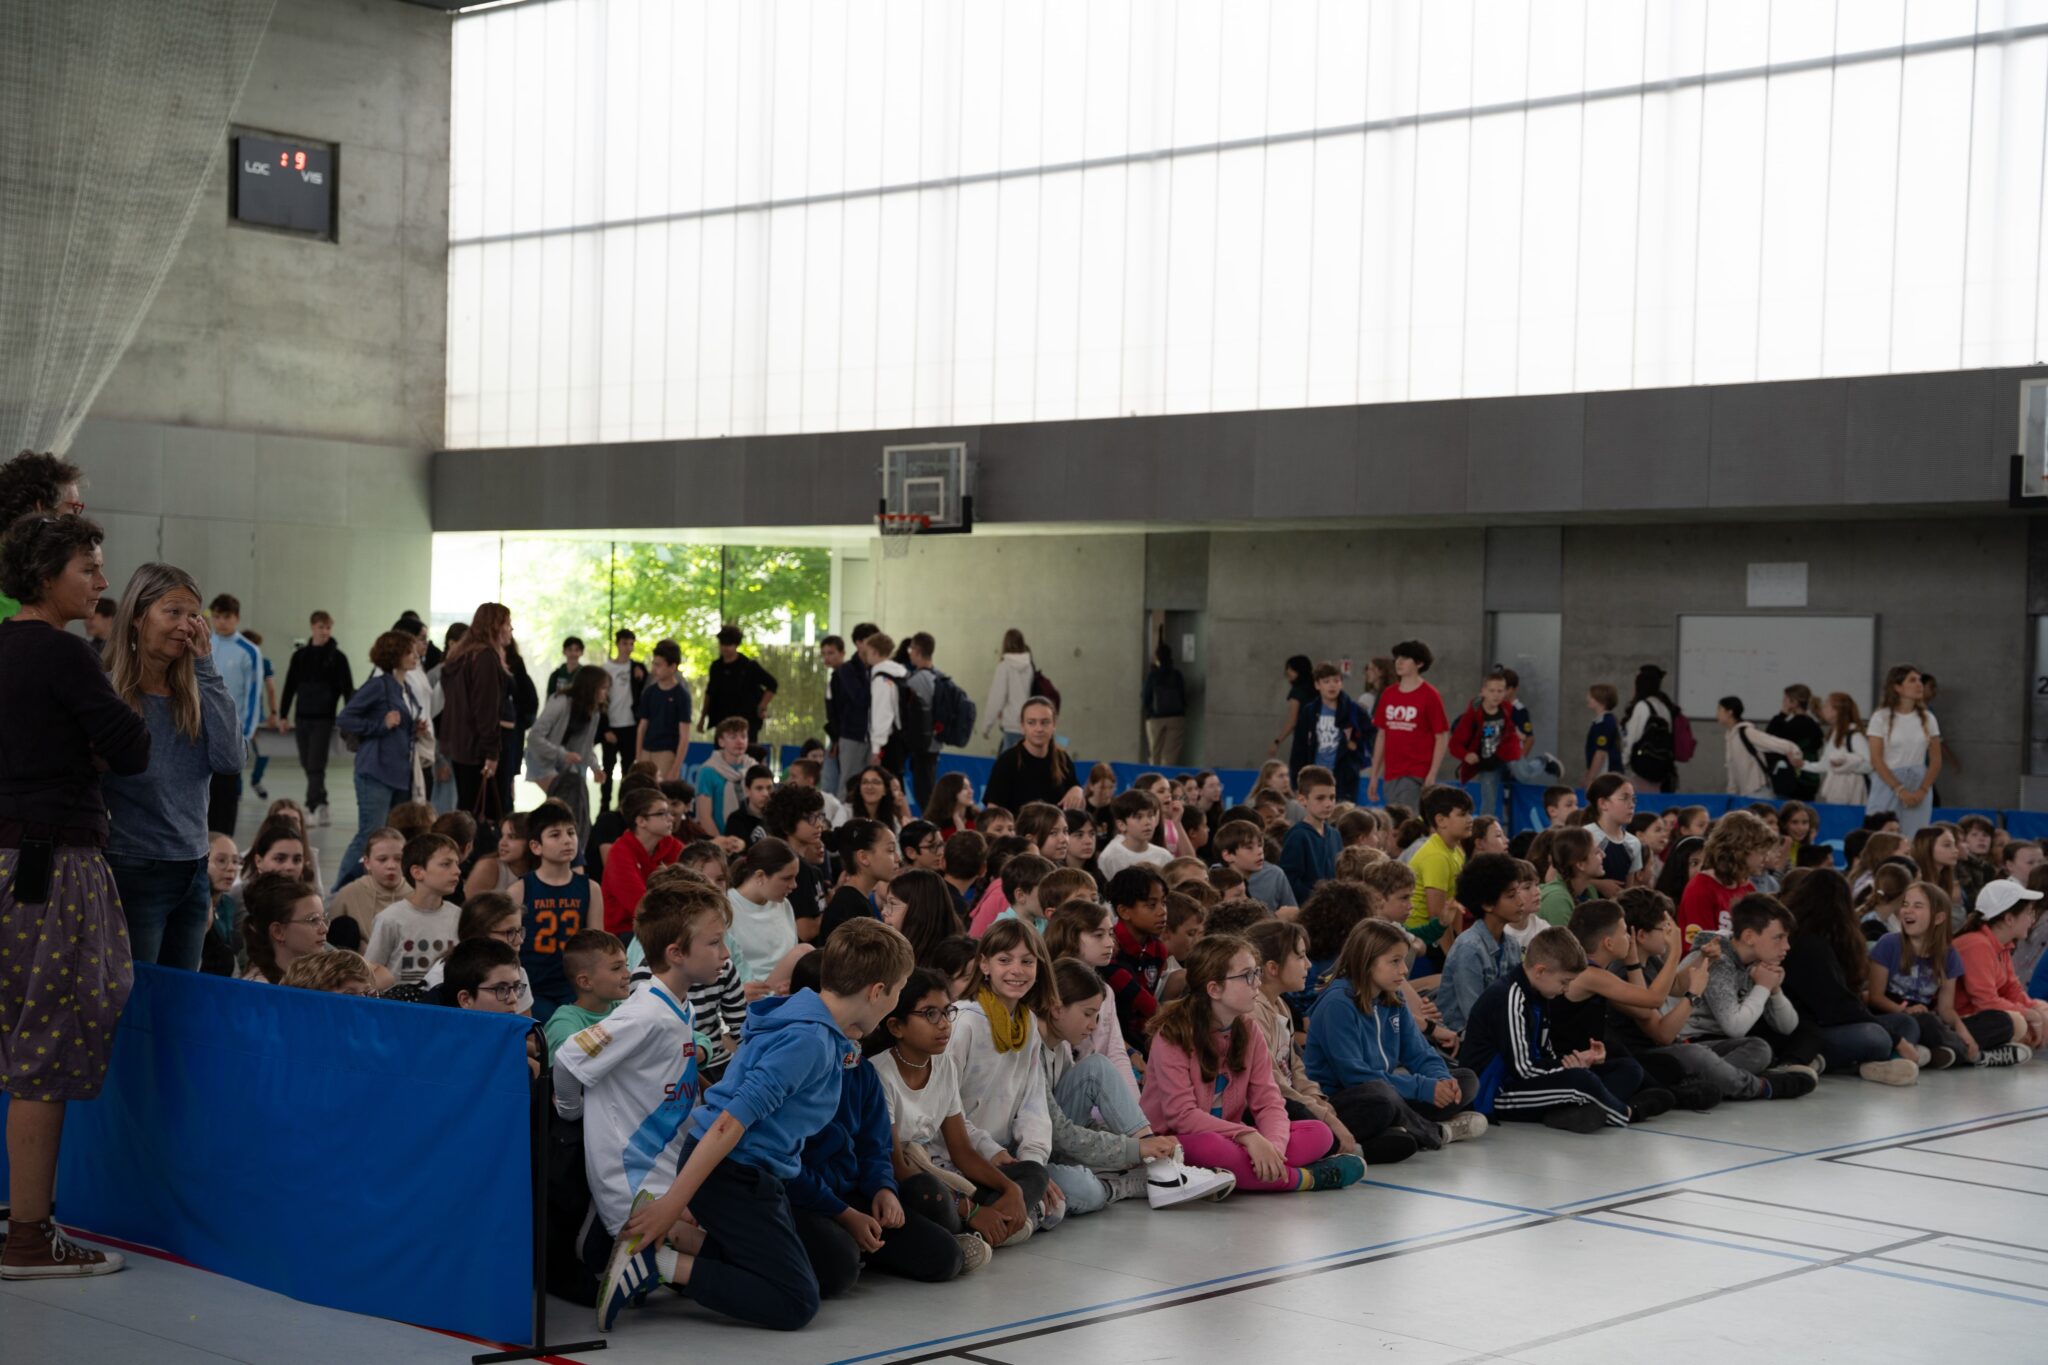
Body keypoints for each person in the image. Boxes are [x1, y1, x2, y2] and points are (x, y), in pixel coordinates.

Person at [615, 919, 912, 1332]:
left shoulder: (811, 1019)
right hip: (735, 1173)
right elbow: (729, 1122)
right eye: (897, 992)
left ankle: (682, 1241)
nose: (895, 1002)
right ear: (877, 991)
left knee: (814, 1269)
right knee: (796, 1301)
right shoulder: (808, 1040)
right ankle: (657, 1265)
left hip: (755, 1172)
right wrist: (671, 1203)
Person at [0, 513, 150, 1281]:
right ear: (47, 574)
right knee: (47, 1042)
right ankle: (29, 1235)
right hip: (53, 864)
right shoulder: (65, 654)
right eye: (89, 567)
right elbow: (131, 748)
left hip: (7, 859)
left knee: (15, 1033)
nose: (99, 582)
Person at [555, 880, 729, 1323]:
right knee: (732, 1264)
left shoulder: (678, 1005)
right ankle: (616, 1248)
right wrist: (572, 1114)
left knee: (733, 1252)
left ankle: (638, 1260)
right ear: (675, 953)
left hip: (666, 1171)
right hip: (634, 1183)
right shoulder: (644, 1012)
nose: (725, 953)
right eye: (715, 942)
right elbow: (569, 1058)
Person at [100, 563, 243, 971]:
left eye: (193, 615)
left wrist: (206, 669)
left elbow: (231, 760)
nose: (186, 625)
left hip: (193, 868)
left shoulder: (200, 691)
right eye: (173, 612)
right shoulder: (109, 692)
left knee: (181, 996)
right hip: (133, 865)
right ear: (139, 616)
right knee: (135, 992)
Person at [1140, 936, 1364, 1193]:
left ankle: (1247, 1173)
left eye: (1256, 973)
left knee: (1320, 1132)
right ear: (1214, 989)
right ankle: (1305, 1179)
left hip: (1232, 1139)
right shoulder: (1172, 1035)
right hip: (1174, 1143)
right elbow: (1181, 1116)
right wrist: (1248, 1136)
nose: (1257, 982)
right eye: (1247, 975)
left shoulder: (1248, 1029)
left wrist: (1273, 1148)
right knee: (1211, 1147)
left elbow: (1269, 1102)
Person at [867, 968, 1042, 1260]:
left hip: (944, 1174)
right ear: (897, 1026)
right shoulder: (879, 1073)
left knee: (1033, 1173)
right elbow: (897, 1168)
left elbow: (962, 1151)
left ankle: (980, 1231)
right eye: (930, 1014)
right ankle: (982, 1227)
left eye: (947, 1012)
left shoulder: (944, 1065)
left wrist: (1010, 1188)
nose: (944, 1024)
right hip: (904, 1184)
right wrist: (971, 1208)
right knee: (926, 1191)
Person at [1035, 958, 1233, 1213]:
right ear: (1056, 1007)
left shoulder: (1060, 1046)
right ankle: (1135, 1182)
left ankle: (1159, 1170)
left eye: (1096, 1016)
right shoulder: (1032, 1048)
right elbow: (1060, 1134)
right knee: (1085, 1189)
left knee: (1097, 1066)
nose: (1093, 1025)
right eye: (1087, 1014)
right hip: (1029, 1156)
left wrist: (1137, 1147)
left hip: (1053, 1148)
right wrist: (1133, 1149)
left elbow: (1075, 1124)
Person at [1461, 926, 1636, 1133]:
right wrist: (1567, 1069)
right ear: (1541, 971)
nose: (1567, 989)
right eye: (1564, 982)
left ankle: (1570, 1110)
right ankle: (1627, 1113)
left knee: (1626, 1068)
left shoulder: (1541, 995)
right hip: (1495, 1092)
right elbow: (1523, 1069)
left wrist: (1578, 1060)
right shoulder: (1510, 996)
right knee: (1582, 1081)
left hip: (1525, 1080)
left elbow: (1546, 1053)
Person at [1780, 871, 1922, 1083]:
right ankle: (1877, 1058)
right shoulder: (1806, 943)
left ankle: (1873, 1065)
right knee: (1877, 1037)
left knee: (1907, 1024)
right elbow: (1838, 1006)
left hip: (1835, 1023)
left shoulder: (1835, 940)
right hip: (1809, 1030)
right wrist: (1895, 1039)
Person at [1679, 895, 1824, 1073]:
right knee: (1759, 1048)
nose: (1787, 946)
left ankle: (1786, 1067)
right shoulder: (1716, 960)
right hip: (1693, 1041)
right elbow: (1735, 1028)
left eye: (1787, 938)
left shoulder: (1756, 960)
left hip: (1725, 1038)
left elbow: (1787, 1027)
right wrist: (1763, 987)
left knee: (1807, 1029)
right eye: (1778, 937)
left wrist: (1775, 989)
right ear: (1749, 937)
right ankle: (1775, 1073)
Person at [328, 630, 424, 889]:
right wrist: (380, 725)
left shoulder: (404, 687)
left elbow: (399, 722)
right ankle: (339, 892)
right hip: (376, 770)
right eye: (409, 652)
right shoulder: (378, 685)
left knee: (391, 836)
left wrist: (413, 728)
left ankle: (378, 888)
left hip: (398, 772)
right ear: (395, 656)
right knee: (369, 836)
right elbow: (345, 718)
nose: (416, 656)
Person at [508, 800, 605, 1022]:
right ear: (536, 846)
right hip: (534, 988)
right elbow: (508, 949)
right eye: (555, 835)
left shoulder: (590, 888)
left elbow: (597, 946)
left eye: (571, 832)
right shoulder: (520, 890)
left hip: (575, 987)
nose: (567, 840)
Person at [1952, 880, 2048, 1056]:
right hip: (1959, 1019)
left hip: (1980, 1013)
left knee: (2042, 1008)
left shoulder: (2002, 945)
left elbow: (2011, 988)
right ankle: (1982, 1053)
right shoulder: (1976, 944)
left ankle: (2003, 1048)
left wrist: (2034, 1010)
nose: (2032, 920)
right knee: (2015, 1022)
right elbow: (1985, 1001)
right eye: (2028, 913)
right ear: (2009, 919)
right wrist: (2029, 1014)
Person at [276, 611, 354, 824]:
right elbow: (290, 686)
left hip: (324, 719)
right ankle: (324, 802)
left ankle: (311, 807)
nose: (325, 632)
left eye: (328, 627)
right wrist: (283, 714)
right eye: (321, 627)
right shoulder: (300, 657)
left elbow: (348, 690)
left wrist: (350, 718)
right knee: (306, 762)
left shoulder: (338, 658)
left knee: (315, 764)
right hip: (302, 718)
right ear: (312, 627)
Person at [440, 603, 514, 824]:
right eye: (508, 624)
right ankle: (478, 858)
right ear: (495, 627)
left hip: (461, 745)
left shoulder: (461, 655)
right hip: (477, 749)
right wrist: (492, 753)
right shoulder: (485, 657)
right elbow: (485, 709)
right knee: (483, 814)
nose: (511, 629)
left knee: (467, 809)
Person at [364, 833, 465, 987]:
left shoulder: (459, 916)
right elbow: (370, 971)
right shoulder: (390, 919)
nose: (457, 870)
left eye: (457, 864)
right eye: (446, 864)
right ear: (417, 872)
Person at [201, 593, 263, 838]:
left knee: (224, 800)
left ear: (236, 618)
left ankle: (222, 846)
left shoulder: (249, 651)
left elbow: (253, 694)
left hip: (230, 735)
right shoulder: (203, 643)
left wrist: (245, 735)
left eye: (226, 617)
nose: (221, 622)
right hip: (199, 732)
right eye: (216, 617)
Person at [526, 665, 608, 843]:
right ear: (591, 686)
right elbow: (534, 737)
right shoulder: (561, 702)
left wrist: (595, 768)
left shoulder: (593, 711)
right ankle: (561, 843)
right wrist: (562, 754)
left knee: (577, 797)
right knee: (566, 800)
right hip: (541, 758)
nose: (605, 693)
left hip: (566, 762)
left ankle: (578, 844)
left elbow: (586, 747)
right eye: (602, 688)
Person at [1366, 641, 1448, 810]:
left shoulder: (1430, 695)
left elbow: (1441, 736)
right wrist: (1374, 776)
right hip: (1391, 773)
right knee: (1395, 823)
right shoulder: (1389, 694)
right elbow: (1382, 735)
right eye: (1397, 658)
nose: (1399, 662)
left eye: (1405, 658)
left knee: (1406, 823)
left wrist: (1432, 773)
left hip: (1416, 772)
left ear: (1419, 663)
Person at [1678, 810, 1775, 949]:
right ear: (1740, 850)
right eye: (1761, 851)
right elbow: (1700, 950)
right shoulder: (1700, 890)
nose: (1765, 858)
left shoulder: (1748, 888)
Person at [1867, 665, 1942, 838]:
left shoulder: (1928, 718)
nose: (1919, 684)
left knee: (1915, 836)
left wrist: (1923, 789)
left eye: (1919, 680)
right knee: (1881, 835)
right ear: (1897, 687)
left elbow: (1936, 759)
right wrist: (1899, 789)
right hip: (1888, 780)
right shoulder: (1880, 717)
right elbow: (1876, 758)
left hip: (1918, 779)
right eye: (1912, 680)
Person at [600, 788, 683, 937]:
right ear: (641, 821)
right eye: (662, 813)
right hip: (625, 933)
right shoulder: (619, 854)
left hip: (663, 924)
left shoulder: (670, 845)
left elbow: (694, 877)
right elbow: (641, 907)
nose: (671, 818)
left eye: (669, 812)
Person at [540, 928, 631, 1056]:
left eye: (626, 965)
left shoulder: (627, 1010)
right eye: (616, 968)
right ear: (585, 982)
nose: (628, 974)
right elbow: (567, 1072)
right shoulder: (563, 1025)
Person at [982, 696, 1082, 813]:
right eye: (1031, 722)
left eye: (1045, 722)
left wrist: (1077, 789)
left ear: (1054, 724)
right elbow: (993, 812)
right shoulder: (1007, 761)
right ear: (1022, 726)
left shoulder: (1062, 759)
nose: (1039, 728)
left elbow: (1074, 788)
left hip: (1056, 830)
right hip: (1018, 831)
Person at [1407, 785, 1474, 954]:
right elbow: (1437, 916)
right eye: (1462, 814)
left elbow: (1454, 904)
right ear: (1441, 820)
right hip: (1420, 939)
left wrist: (1459, 940)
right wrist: (1452, 957)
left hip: (1437, 934)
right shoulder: (1437, 857)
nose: (1470, 819)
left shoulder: (1456, 850)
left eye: (1469, 813)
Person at [1450, 669, 1523, 821]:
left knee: (1524, 772)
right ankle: (1485, 830)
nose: (1496, 695)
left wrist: (1516, 736)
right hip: (1489, 762)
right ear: (1483, 692)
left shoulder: (1507, 709)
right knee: (1488, 798)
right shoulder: (1473, 715)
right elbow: (1455, 743)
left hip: (1506, 752)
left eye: (1500, 691)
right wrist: (1466, 755)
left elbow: (1509, 728)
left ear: (1505, 693)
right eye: (1492, 691)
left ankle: (1544, 762)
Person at [237, 873, 331, 984]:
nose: (324, 929)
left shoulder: (321, 978)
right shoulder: (258, 988)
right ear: (278, 931)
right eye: (313, 920)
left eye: (323, 919)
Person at [819, 819, 900, 946]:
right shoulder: (852, 907)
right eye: (890, 850)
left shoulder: (854, 899)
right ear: (863, 857)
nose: (897, 858)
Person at [326, 827, 408, 949]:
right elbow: (328, 941)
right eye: (382, 859)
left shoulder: (418, 893)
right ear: (367, 863)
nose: (391, 865)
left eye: (398, 859)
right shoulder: (348, 894)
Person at [822, 624, 877, 797]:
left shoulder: (875, 669)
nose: (827, 658)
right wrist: (836, 737)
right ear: (858, 643)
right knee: (847, 783)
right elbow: (837, 709)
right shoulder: (846, 672)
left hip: (871, 735)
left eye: (831, 653)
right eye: (824, 654)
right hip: (850, 735)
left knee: (869, 784)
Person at [701, 624, 778, 744]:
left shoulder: (749, 666)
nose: (725, 648)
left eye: (729, 644)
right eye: (722, 644)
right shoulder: (716, 667)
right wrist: (702, 718)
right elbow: (710, 693)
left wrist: (761, 706)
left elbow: (772, 684)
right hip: (722, 721)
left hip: (746, 722)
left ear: (736, 645)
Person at [1278, 765, 1343, 905]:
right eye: (1320, 798)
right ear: (1302, 800)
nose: (1328, 804)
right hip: (1308, 911)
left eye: (1332, 797)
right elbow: (1290, 880)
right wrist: (1317, 900)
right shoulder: (1297, 836)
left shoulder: (1335, 835)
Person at [1717, 696, 1804, 799]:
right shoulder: (1730, 736)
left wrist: (1795, 753)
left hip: (1758, 791)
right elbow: (1733, 768)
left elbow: (1775, 743)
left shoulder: (1747, 732)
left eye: (1719, 709)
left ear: (1730, 712)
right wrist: (1731, 793)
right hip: (1744, 794)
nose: (1717, 713)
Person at [634, 638, 692, 783]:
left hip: (666, 752)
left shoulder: (681, 696)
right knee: (642, 792)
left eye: (658, 665)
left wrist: (676, 767)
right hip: (646, 751)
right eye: (653, 664)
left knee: (661, 794)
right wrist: (638, 756)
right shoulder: (649, 692)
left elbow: (684, 736)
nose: (654, 669)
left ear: (673, 667)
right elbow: (642, 727)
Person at [1097, 787, 1173, 883]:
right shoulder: (1110, 857)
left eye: (1150, 815)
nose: (1147, 822)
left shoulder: (1164, 856)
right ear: (1122, 825)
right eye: (1139, 817)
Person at [982, 628, 1037, 752]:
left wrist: (987, 726)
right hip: (1028, 724)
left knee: (1007, 768)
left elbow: (996, 698)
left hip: (1012, 725)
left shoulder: (1004, 666)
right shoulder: (1029, 666)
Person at [1815, 691, 1872, 806]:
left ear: (1837, 711)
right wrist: (1803, 765)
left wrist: (1846, 765)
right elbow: (1825, 764)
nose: (1823, 709)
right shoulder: (1834, 734)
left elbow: (1869, 765)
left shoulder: (1854, 735)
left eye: (1827, 705)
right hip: (1836, 792)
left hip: (1851, 793)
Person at [1142, 641, 1190, 766]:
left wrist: (1149, 712)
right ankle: (1168, 781)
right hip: (1176, 717)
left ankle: (1155, 780)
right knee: (1170, 756)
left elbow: (1146, 696)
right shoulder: (1177, 675)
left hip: (1155, 719)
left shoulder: (1153, 675)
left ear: (1157, 657)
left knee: (1155, 753)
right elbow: (1184, 696)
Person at [1582, 683, 1622, 785]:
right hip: (1601, 773)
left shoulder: (1606, 722)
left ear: (1600, 700)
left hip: (1606, 773)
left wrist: (1591, 778)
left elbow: (1601, 753)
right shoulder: (1599, 721)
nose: (1587, 698)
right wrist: (1589, 772)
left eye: (1591, 696)